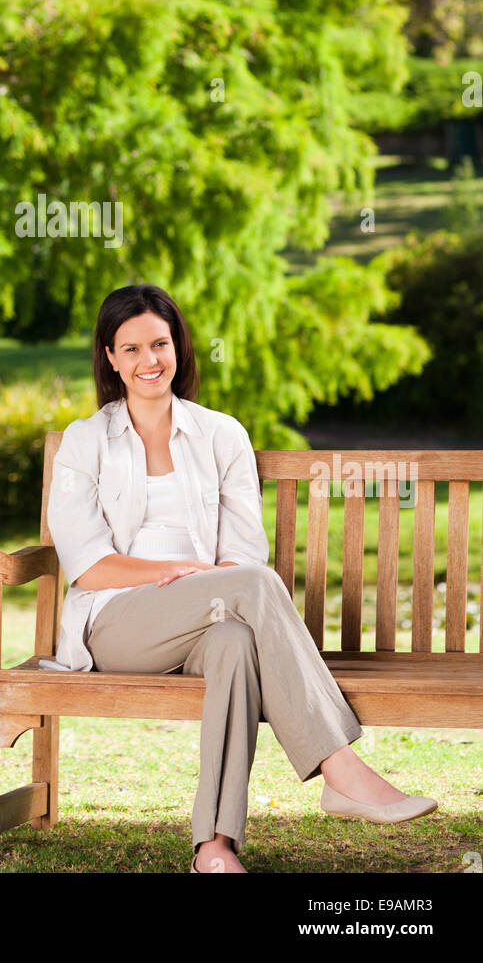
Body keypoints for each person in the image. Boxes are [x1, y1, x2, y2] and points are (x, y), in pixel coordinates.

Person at [39, 283, 438, 874]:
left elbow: (243, 552)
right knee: (250, 586)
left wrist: (205, 584)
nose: (150, 361)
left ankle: (215, 849)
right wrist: (180, 572)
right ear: (109, 358)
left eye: (160, 344)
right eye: (132, 349)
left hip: (208, 615)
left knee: (234, 641)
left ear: (179, 349)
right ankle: (341, 768)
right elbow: (91, 567)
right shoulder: (85, 440)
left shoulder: (222, 434)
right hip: (117, 621)